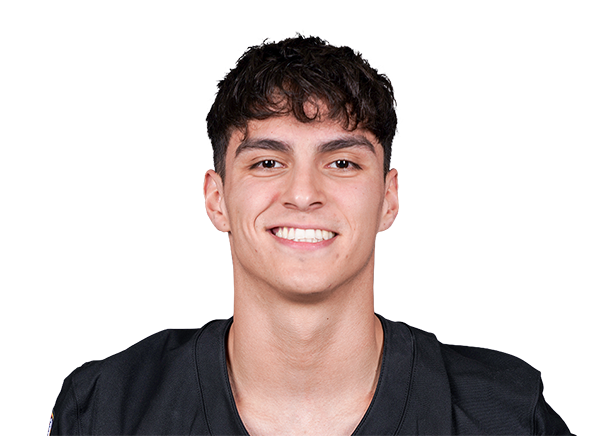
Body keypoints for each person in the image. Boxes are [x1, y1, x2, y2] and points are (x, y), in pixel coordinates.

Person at [50, 34, 573, 435]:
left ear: (388, 200)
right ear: (216, 199)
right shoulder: (106, 408)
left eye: (342, 162)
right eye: (267, 162)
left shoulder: (505, 412)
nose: (303, 193)